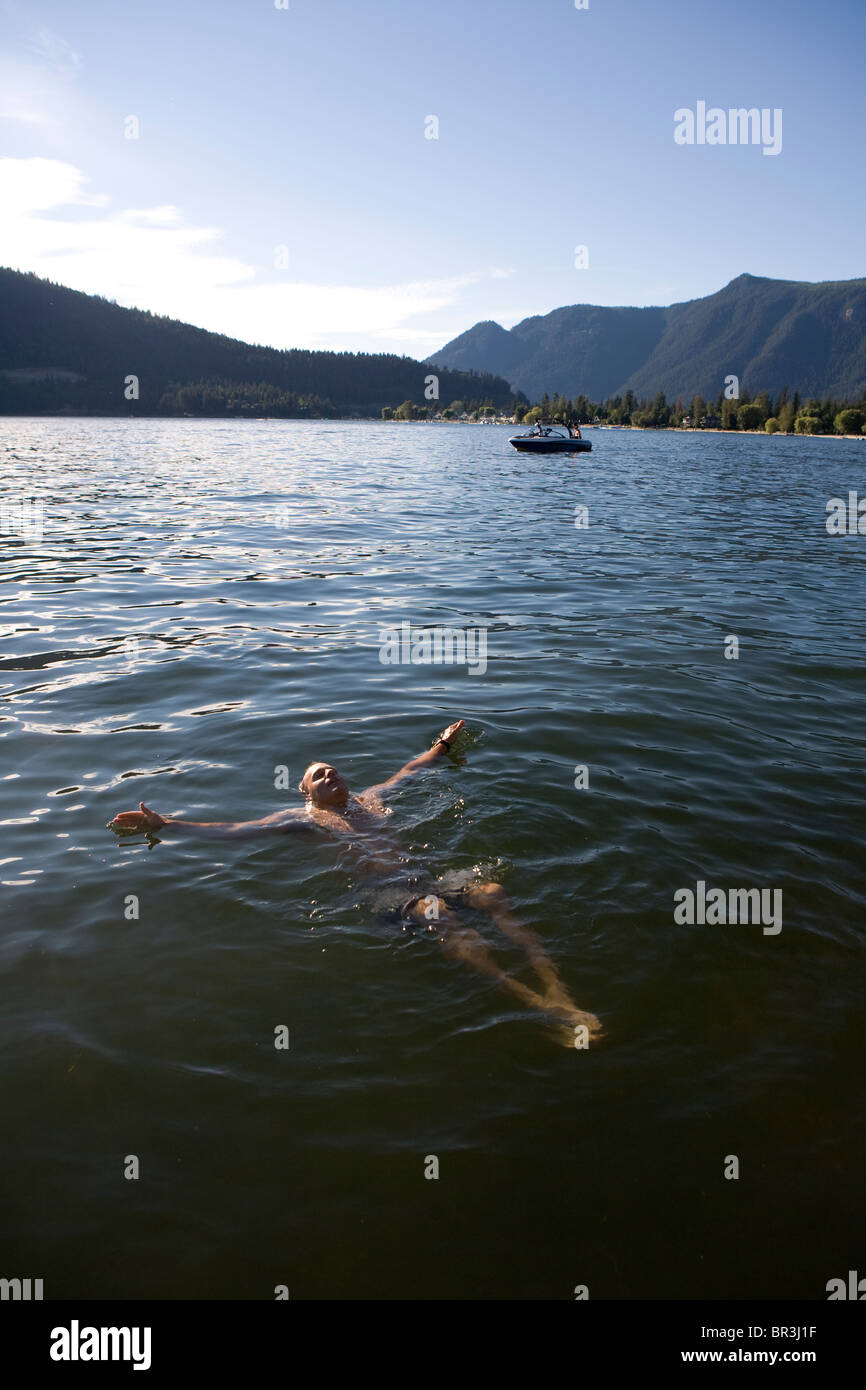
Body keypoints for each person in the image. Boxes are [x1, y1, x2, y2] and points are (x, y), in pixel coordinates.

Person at [108, 721, 602, 1046]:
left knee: (492, 893)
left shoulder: (369, 801)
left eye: (334, 769)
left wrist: (443, 746)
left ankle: (554, 982)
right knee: (441, 915)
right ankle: (537, 1004)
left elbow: (411, 770)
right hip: (386, 895)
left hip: (422, 876)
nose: (331, 774)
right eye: (319, 775)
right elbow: (236, 831)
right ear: (306, 794)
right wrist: (167, 825)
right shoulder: (304, 820)